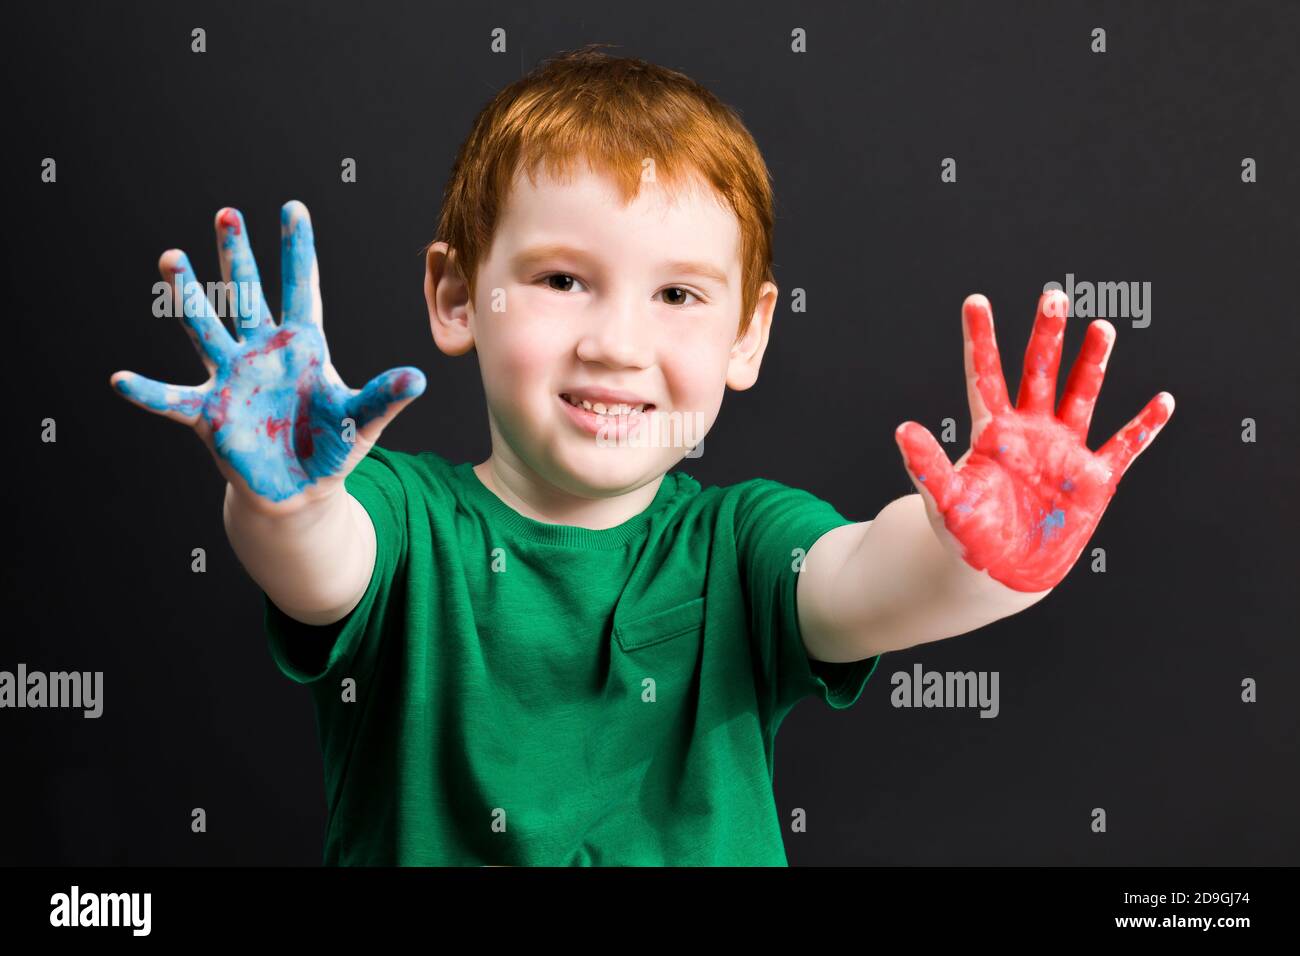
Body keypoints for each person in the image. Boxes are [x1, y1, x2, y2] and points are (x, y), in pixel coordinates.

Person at [109, 45, 1174, 865]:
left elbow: (873, 579)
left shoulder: (743, 543)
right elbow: (317, 561)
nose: (615, 343)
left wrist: (978, 554)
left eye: (676, 294)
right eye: (562, 279)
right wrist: (289, 498)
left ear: (747, 332)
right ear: (452, 294)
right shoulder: (400, 515)